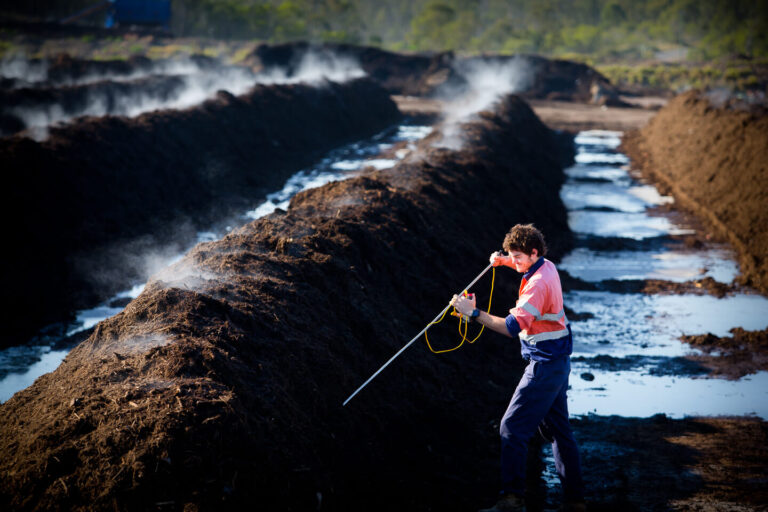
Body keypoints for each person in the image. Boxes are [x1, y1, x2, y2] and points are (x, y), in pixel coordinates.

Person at [450, 224, 585, 512]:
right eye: (513, 256)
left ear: (534, 252)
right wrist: (504, 261)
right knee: (560, 432)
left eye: (519, 257)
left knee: (511, 429)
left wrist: (471, 313)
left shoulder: (537, 286)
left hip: (544, 366)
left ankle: (512, 500)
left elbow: (511, 328)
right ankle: (575, 501)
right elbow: (522, 262)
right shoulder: (545, 265)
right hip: (559, 363)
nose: (516, 262)